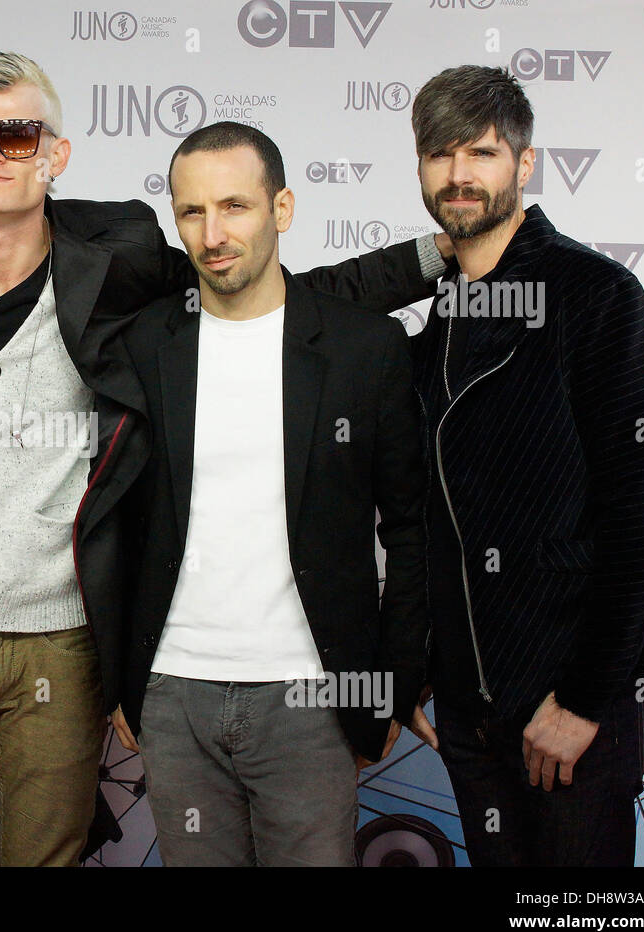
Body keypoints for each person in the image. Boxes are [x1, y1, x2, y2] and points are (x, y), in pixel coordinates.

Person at [0, 47, 448, 867]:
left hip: (64, 638)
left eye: (16, 137)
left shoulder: (116, 267)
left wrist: (436, 253)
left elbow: (274, 292)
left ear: (55, 155)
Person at [110, 122, 432, 866]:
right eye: (191, 212)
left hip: (314, 699)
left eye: (236, 206)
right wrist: (119, 680)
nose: (213, 233)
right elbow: (113, 524)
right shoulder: (143, 344)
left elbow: (412, 529)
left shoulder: (364, 348)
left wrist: (394, 680)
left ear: (282, 209)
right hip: (173, 692)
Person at [404, 66, 644, 866]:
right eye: (440, 154)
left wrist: (586, 701)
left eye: (482, 153)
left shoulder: (596, 295)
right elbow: (432, 516)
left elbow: (638, 519)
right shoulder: (439, 325)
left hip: (571, 704)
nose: (459, 175)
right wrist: (429, 668)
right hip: (470, 712)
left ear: (522, 166)